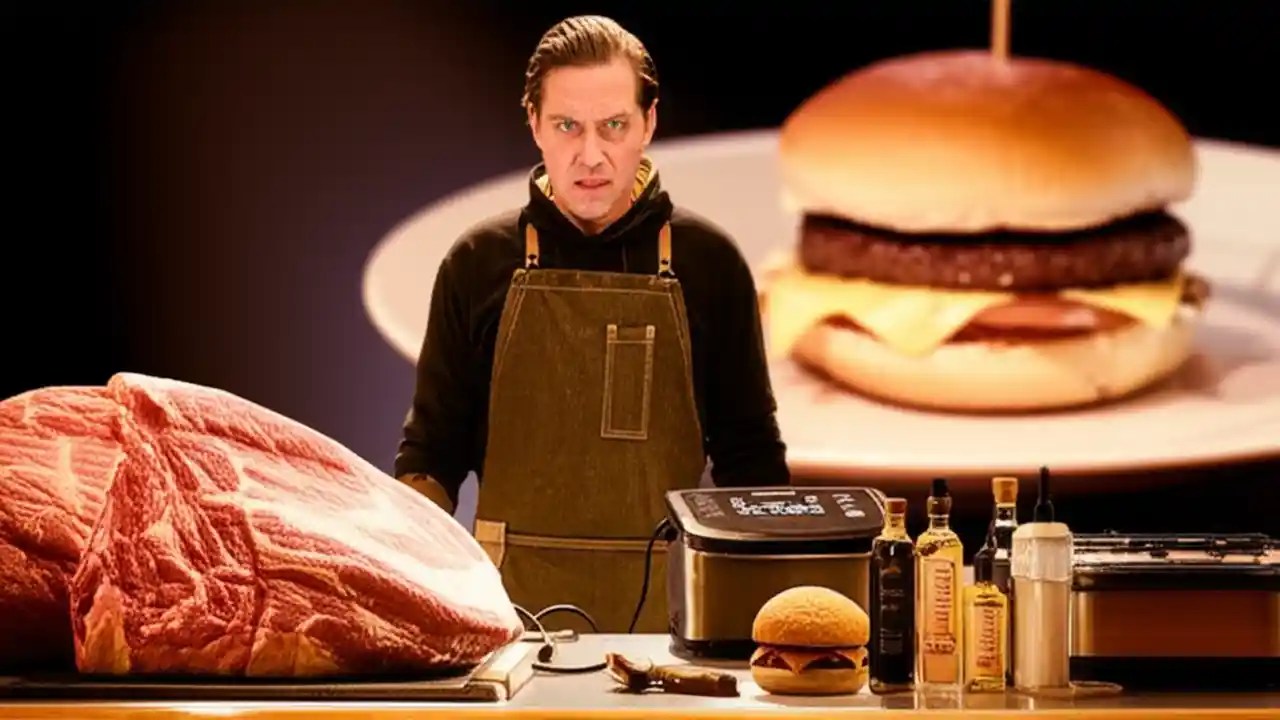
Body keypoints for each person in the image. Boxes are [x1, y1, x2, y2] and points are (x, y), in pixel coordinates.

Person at [394, 15, 789, 634]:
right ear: (534, 124)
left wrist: (769, 623)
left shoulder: (709, 264)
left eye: (614, 126)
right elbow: (432, 455)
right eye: (567, 126)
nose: (591, 155)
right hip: (508, 627)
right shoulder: (477, 263)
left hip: (668, 631)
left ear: (649, 123)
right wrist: (405, 583)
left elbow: (752, 463)